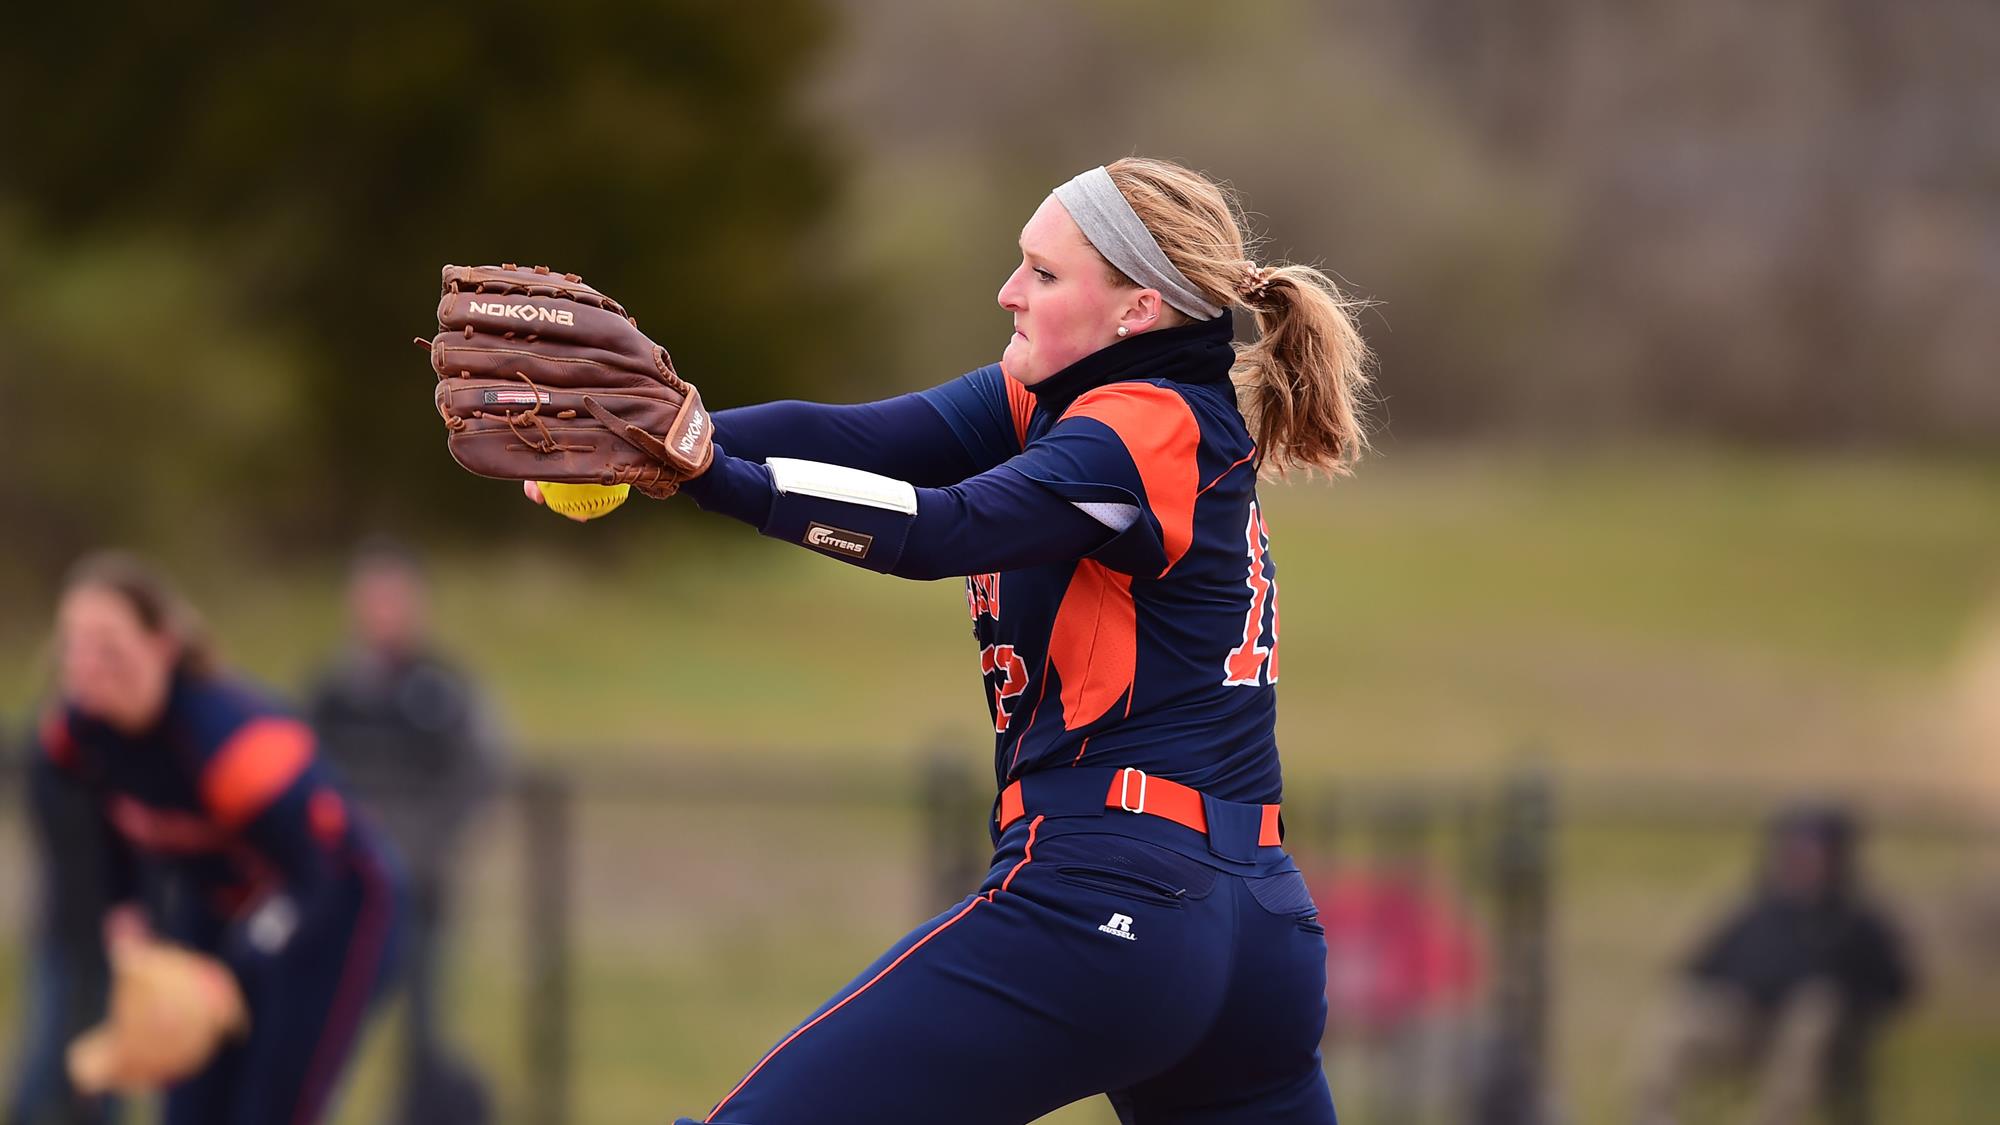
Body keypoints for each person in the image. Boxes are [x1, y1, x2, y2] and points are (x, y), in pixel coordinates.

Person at [530, 157, 1372, 1123]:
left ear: (1137, 310)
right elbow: (853, 440)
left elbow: (941, 528)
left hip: (1111, 894)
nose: (1009, 291)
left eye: (1045, 275)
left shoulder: (1139, 430)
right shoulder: (1080, 404)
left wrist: (714, 475)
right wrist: (655, 439)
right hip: (1257, 924)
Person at [28, 552, 403, 1125]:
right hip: (224, 906)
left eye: (109, 644)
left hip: (338, 907)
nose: (89, 664)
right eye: (75, 644)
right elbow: (101, 828)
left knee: (271, 1105)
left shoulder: (230, 743)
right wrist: (124, 914)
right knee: (190, 1107)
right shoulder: (77, 738)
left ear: (162, 646)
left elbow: (318, 874)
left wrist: (235, 964)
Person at [308, 541, 500, 1125]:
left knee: (423, 1034)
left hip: (420, 895)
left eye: (396, 599)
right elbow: (302, 776)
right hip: (344, 895)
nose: (385, 612)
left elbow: (479, 773)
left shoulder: (445, 689)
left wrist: (421, 852)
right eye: (374, 599)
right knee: (326, 1031)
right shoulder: (333, 691)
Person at [1635, 804, 1916, 1125]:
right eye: (1793, 850)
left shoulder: (1857, 922)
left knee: (1814, 1010)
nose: (1801, 861)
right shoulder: (1756, 912)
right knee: (1676, 1010)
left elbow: (1897, 987)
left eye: (1813, 852)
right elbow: (1699, 968)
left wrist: (1847, 999)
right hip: (1745, 1024)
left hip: (1818, 1038)